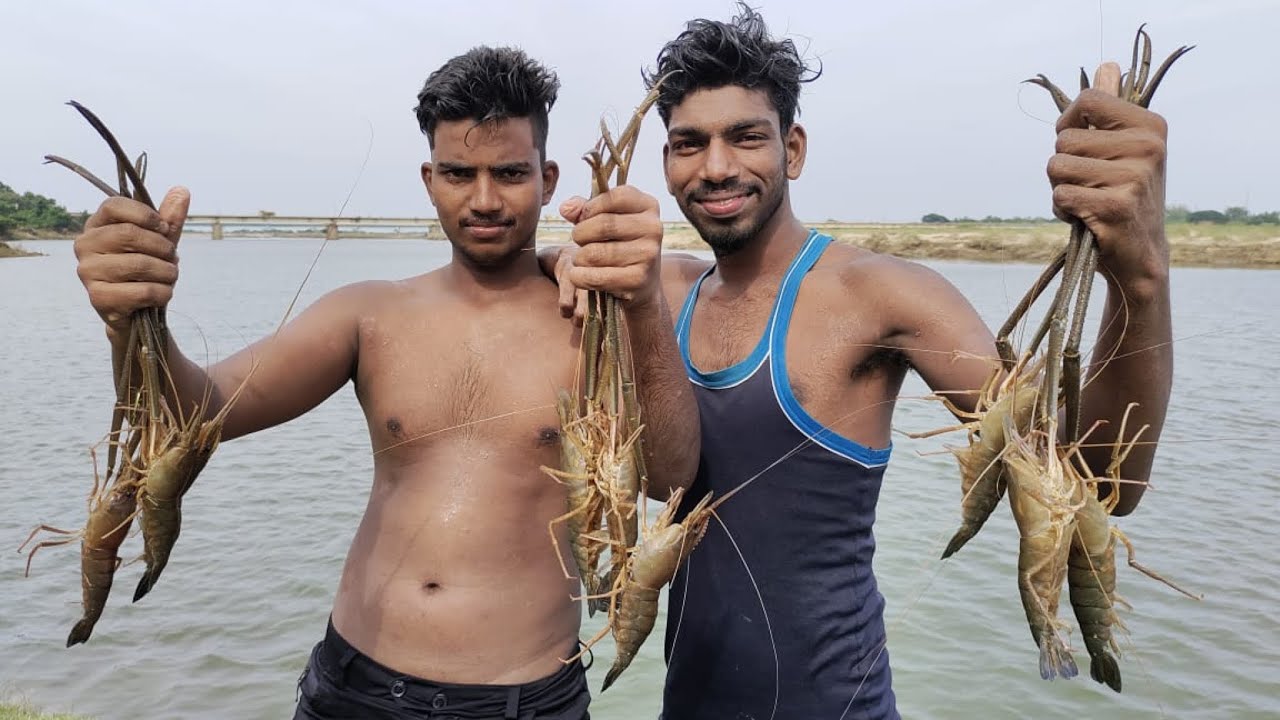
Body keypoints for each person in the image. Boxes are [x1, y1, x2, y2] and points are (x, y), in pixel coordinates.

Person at [546, 5, 1175, 718]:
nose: (716, 167)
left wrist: (1141, 273)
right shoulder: (661, 291)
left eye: (746, 137)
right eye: (689, 144)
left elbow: (1097, 478)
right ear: (666, 162)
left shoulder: (881, 293)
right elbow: (542, 263)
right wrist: (565, 256)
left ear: (793, 150)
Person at [71, 46, 699, 720]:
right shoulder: (368, 313)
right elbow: (195, 411)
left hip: (525, 698)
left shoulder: (593, 322)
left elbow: (668, 479)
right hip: (353, 685)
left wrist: (635, 297)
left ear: (547, 180)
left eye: (510, 173)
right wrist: (132, 320)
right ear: (429, 179)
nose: (485, 199)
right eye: (459, 173)